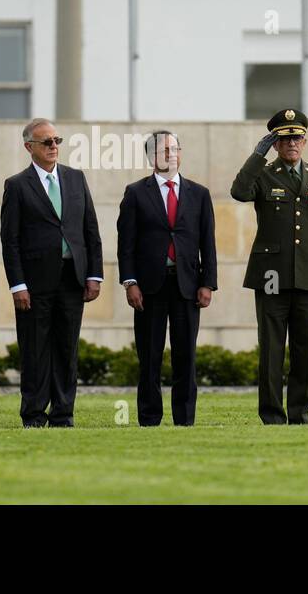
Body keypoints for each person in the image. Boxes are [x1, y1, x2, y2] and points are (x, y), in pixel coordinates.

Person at [230, 108, 308, 425]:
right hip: (271, 276)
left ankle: (301, 413)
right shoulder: (263, 174)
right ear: (276, 144)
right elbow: (238, 192)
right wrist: (256, 156)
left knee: (306, 351)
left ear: (305, 141)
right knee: (272, 350)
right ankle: (273, 414)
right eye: (285, 138)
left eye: (297, 137)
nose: (292, 143)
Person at [0, 118, 104, 428]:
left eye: (57, 140)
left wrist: (94, 275)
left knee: (66, 349)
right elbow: (10, 239)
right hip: (34, 282)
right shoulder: (17, 185)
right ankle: (33, 414)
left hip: (72, 278)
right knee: (35, 349)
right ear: (29, 147)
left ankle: (63, 414)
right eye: (47, 142)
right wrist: (17, 284)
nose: (54, 147)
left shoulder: (75, 178)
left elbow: (90, 229)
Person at [116, 130, 217, 426]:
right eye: (162, 150)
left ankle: (184, 419)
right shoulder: (135, 193)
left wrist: (208, 282)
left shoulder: (199, 194)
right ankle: (149, 418)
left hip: (187, 286)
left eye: (174, 149)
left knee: (186, 356)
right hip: (148, 288)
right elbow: (126, 244)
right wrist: (129, 282)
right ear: (151, 156)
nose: (169, 155)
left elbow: (207, 243)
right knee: (150, 358)